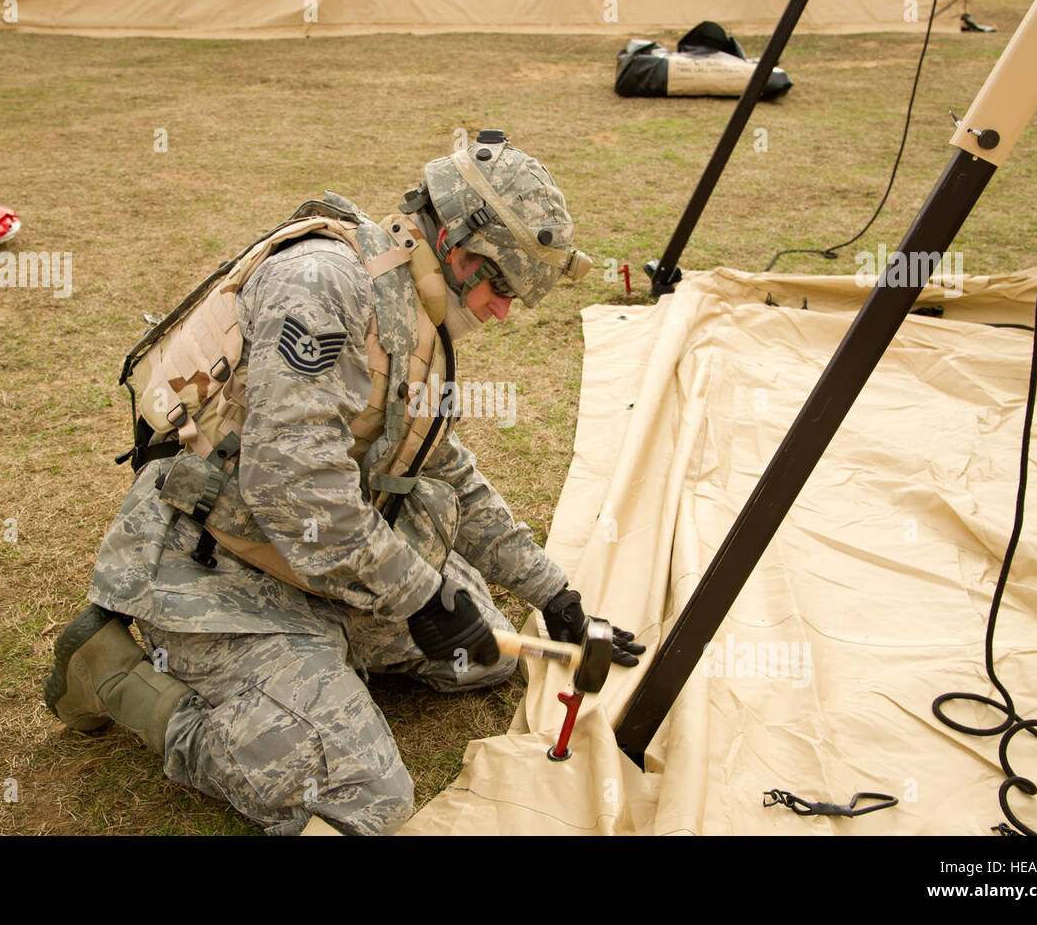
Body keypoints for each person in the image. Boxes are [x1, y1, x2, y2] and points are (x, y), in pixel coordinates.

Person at [44, 130, 645, 835]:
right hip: (217, 569)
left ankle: (318, 666)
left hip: (316, 566)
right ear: (455, 245)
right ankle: (114, 674)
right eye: (501, 285)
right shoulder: (323, 285)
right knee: (365, 794)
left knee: (481, 653)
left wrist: (554, 592)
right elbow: (291, 484)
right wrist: (418, 593)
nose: (503, 310)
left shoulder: (415, 311)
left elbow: (444, 466)